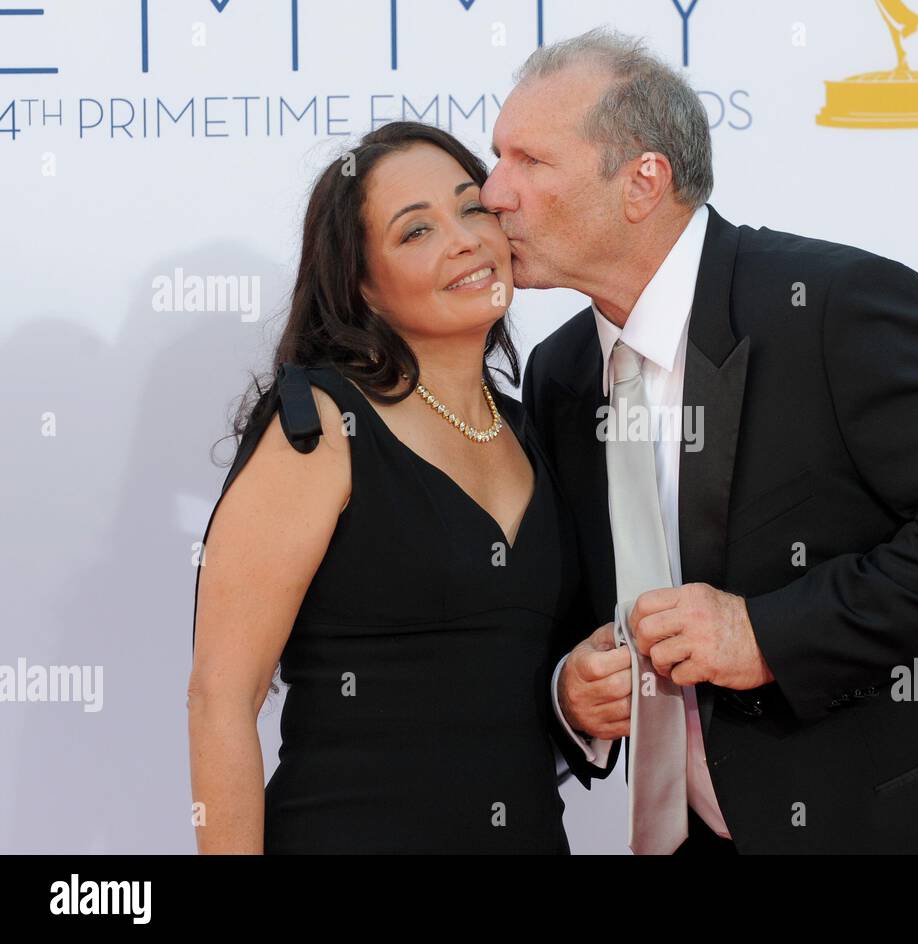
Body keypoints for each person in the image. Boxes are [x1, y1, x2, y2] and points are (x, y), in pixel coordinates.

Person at [481, 27, 918, 854]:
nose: (493, 192)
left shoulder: (835, 306)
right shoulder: (560, 376)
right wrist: (570, 694)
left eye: (529, 161)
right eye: (496, 157)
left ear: (642, 181)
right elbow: (588, 609)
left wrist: (767, 635)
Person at [187, 121, 614, 854]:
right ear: (363, 286)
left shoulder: (539, 427)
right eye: (415, 232)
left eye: (472, 208)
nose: (464, 240)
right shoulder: (320, 421)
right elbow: (221, 699)